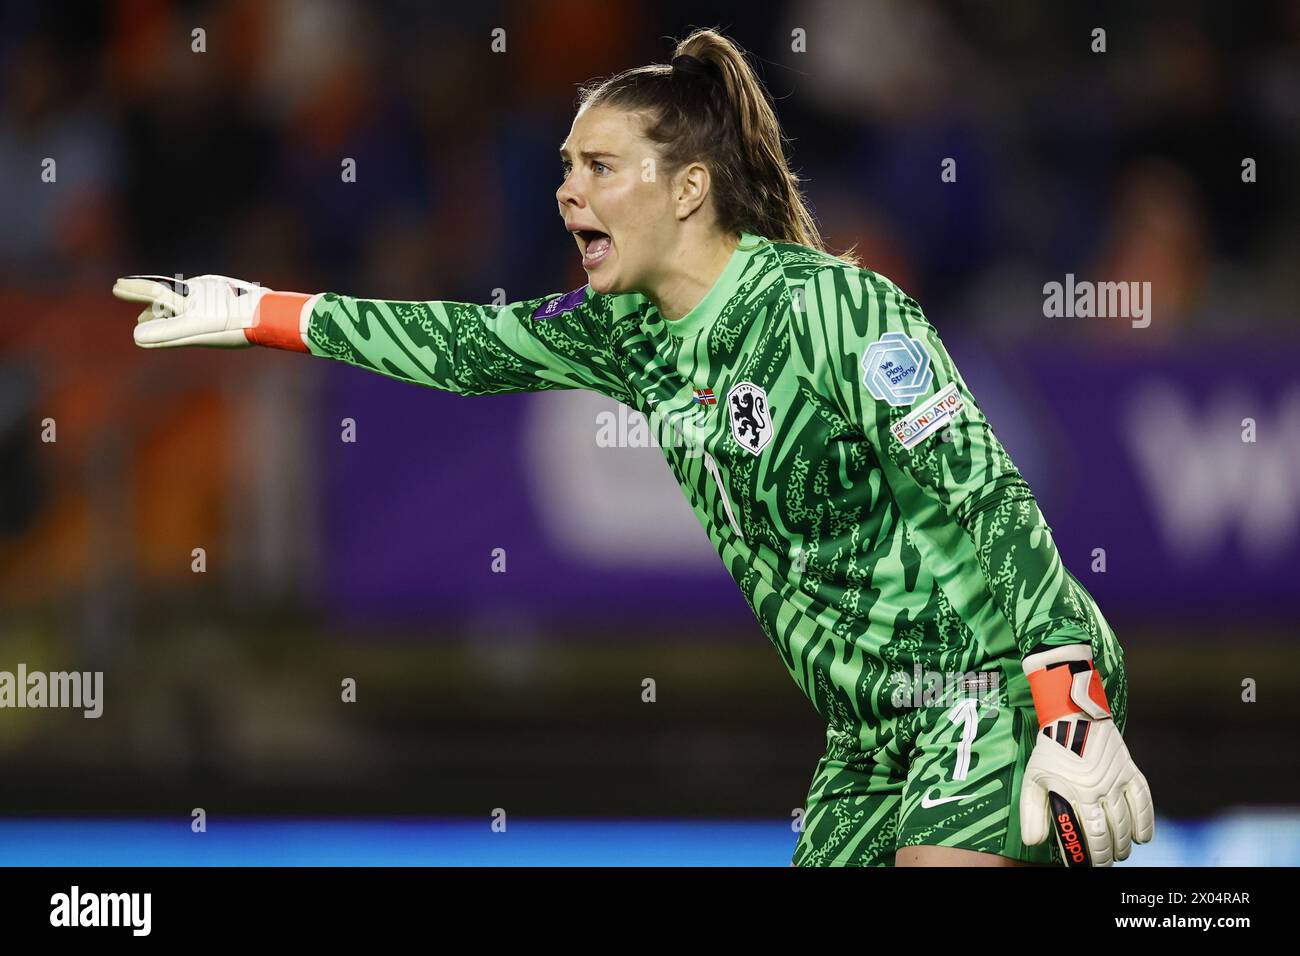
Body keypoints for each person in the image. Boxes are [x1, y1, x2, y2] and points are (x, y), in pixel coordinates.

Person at [112, 28, 1153, 867]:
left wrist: (1066, 696)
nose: (567, 191)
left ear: (688, 188)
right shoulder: (623, 331)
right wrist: (260, 310)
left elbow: (986, 490)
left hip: (988, 679)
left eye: (600, 166)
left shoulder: (834, 308)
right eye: (566, 167)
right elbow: (466, 344)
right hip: (866, 734)